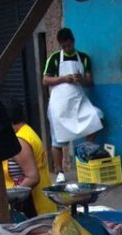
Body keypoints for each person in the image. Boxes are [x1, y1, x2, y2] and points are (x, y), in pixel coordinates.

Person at [42, 27, 103, 183]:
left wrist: (80, 79)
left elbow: (89, 82)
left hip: (78, 102)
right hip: (59, 106)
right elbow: (45, 80)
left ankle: (84, 148)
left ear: (73, 41)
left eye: (69, 45)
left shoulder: (83, 58)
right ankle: (60, 171)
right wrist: (64, 79)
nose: (67, 48)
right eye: (64, 46)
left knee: (97, 116)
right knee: (58, 141)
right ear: (60, 45)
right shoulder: (54, 58)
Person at [1, 101, 56, 214]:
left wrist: (9, 198)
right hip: (40, 200)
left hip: (32, 204)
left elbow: (32, 177)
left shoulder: (20, 140)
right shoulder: (26, 131)